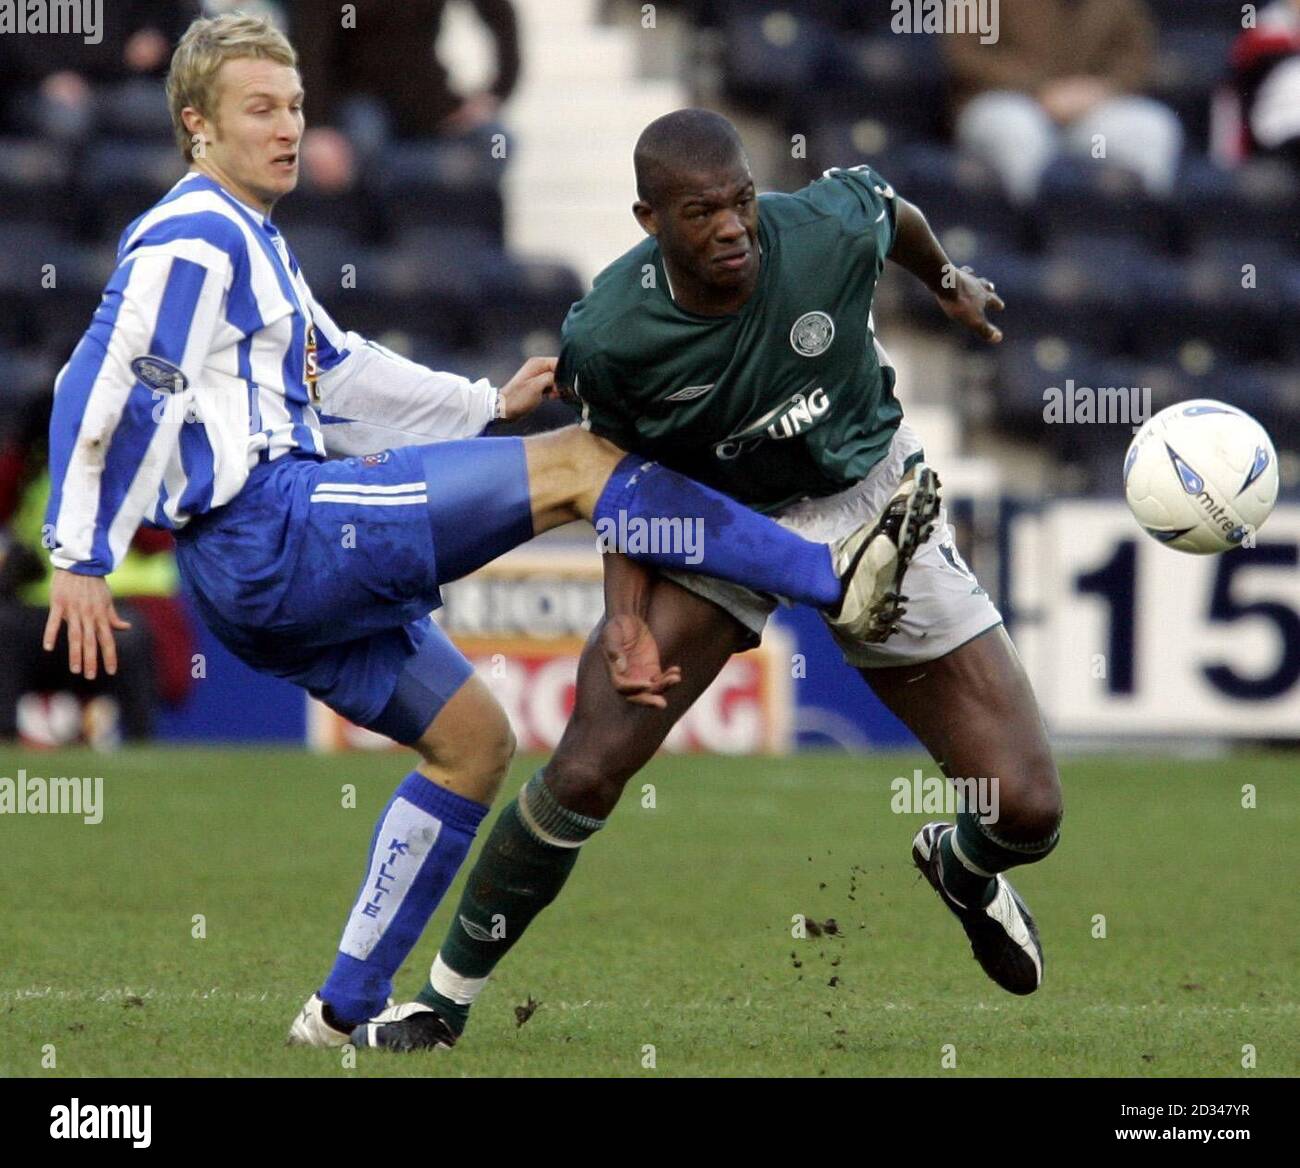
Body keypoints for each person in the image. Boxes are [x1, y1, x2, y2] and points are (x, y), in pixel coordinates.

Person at [41, 17, 917, 1050]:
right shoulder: (196, 237)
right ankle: (827, 571)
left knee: (474, 743)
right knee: (584, 466)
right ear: (197, 126)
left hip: (259, 583)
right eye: (260, 110)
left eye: (295, 106)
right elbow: (107, 380)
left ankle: (339, 1016)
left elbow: (345, 370)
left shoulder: (253, 243)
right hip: (274, 530)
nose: (288, 128)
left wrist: (481, 405)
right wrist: (81, 554)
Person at [354, 108, 1064, 1054]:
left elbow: (892, 213)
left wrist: (949, 286)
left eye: (739, 203)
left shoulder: (817, 226)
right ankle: (441, 1006)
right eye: (702, 213)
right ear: (650, 220)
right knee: (589, 765)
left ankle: (962, 869)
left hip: (863, 493)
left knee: (1026, 809)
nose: (732, 227)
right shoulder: (610, 335)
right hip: (712, 517)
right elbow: (618, 473)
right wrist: (625, 618)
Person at [945, 0, 1183, 201]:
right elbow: (963, 55)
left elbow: (1136, 56)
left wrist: (1102, 89)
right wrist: (1039, 89)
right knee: (1019, 131)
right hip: (1003, 102)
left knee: (1151, 128)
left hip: (1088, 115)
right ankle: (1031, 239)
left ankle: (1143, 236)